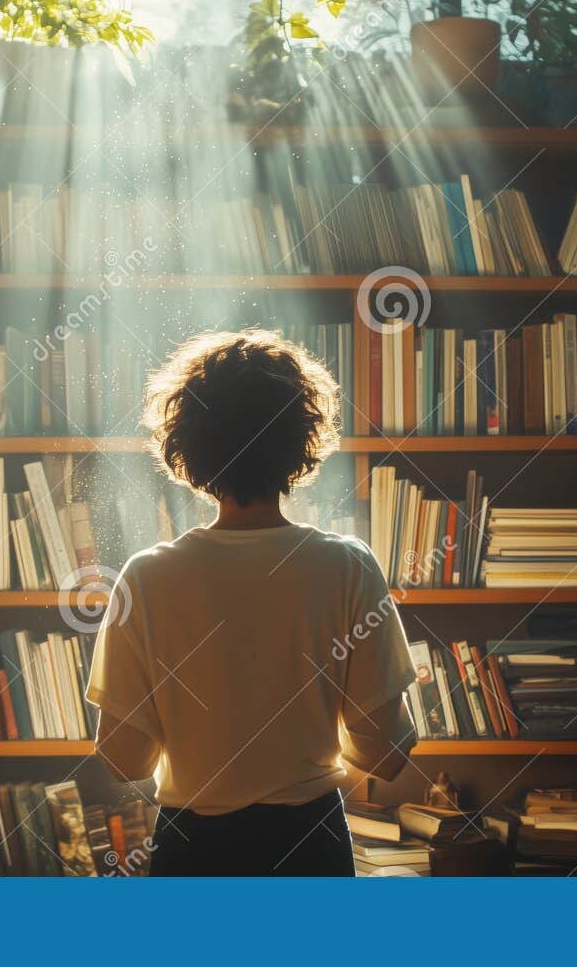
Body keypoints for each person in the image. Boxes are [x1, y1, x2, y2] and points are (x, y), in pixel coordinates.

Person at [87, 329, 418, 876]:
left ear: (186, 447)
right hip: (308, 845)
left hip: (192, 849)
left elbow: (124, 760)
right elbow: (384, 754)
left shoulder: (146, 578)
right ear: (301, 440)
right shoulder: (346, 567)